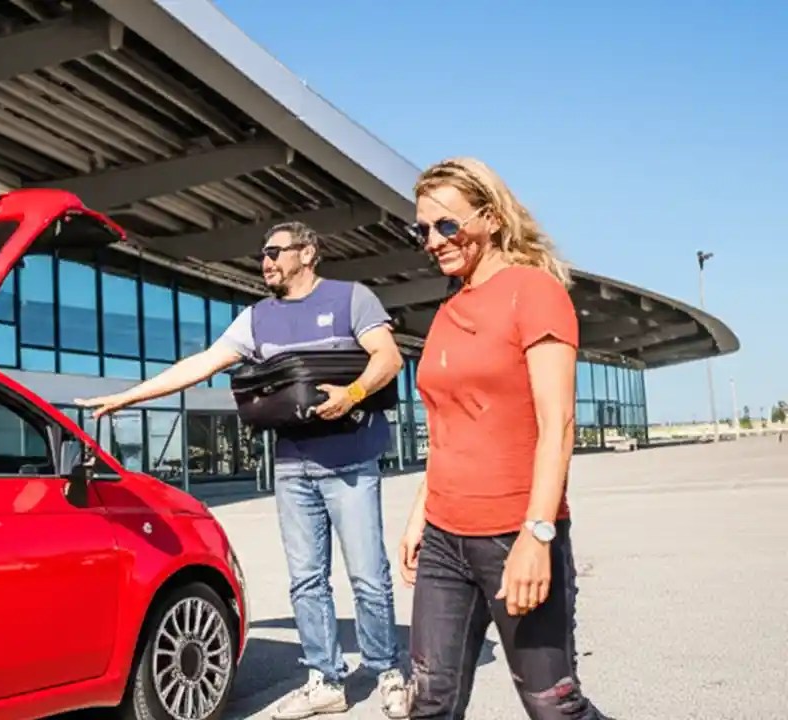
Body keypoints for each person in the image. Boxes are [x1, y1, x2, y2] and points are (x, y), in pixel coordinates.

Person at [76, 222, 410, 719]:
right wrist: (128, 395)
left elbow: (389, 357)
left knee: (367, 575)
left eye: (275, 252)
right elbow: (201, 364)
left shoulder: (349, 299)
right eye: (262, 255)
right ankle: (326, 679)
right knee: (305, 579)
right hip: (294, 467)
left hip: (351, 461)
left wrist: (353, 395)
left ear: (308, 252)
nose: (266, 262)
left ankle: (387, 671)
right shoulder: (257, 319)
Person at [397, 157, 609, 719]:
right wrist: (421, 513)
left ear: (489, 218)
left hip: (515, 531)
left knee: (553, 706)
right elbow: (447, 426)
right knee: (429, 704)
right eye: (422, 230)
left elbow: (557, 423)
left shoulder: (533, 292)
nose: (434, 241)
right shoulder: (447, 311)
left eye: (447, 225)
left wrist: (537, 535)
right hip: (445, 538)